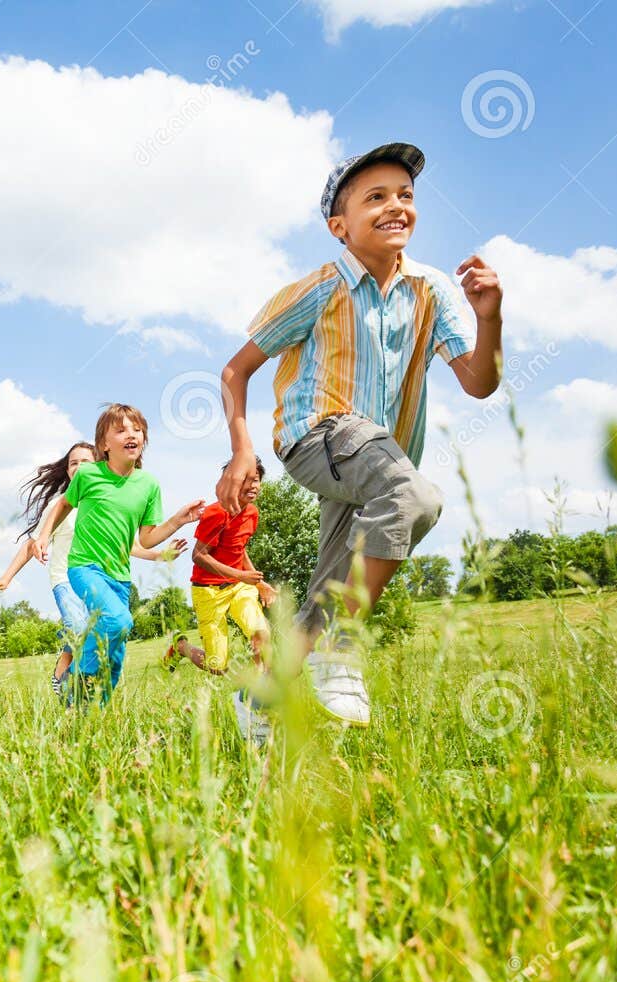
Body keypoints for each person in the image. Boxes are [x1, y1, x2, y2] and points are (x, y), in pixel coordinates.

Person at [215, 142, 503, 726]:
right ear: (339, 226)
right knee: (417, 497)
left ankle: (261, 703)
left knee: (328, 589)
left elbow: (478, 384)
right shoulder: (319, 289)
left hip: (378, 463)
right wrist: (241, 449)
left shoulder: (431, 293)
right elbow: (235, 369)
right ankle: (341, 650)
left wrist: (489, 316)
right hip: (318, 436)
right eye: (376, 197)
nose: (396, 206)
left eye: (406, 195)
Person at [0, 441, 186, 695]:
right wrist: (6, 578)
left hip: (100, 579)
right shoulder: (59, 505)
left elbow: (130, 546)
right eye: (73, 463)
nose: (79, 467)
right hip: (66, 580)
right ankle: (66, 678)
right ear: (67, 471)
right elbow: (31, 544)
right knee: (79, 628)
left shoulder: (104, 501)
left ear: (99, 464)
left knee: (102, 632)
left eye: (85, 462)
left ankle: (80, 680)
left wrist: (160, 555)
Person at [33, 404, 204, 704]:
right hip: (85, 567)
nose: (132, 434)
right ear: (104, 444)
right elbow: (62, 504)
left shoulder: (148, 485)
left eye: (137, 429)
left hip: (119, 578)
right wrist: (45, 536)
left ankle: (91, 713)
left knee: (115, 653)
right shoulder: (88, 475)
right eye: (122, 429)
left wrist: (177, 521)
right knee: (119, 621)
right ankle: (74, 682)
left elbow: (147, 539)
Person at [163, 456, 275, 738]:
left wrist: (259, 584)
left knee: (262, 633)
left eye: (256, 479)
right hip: (208, 591)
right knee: (217, 666)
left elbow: (239, 549)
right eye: (245, 479)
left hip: (239, 589)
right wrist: (240, 576)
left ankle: (257, 699)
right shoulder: (216, 514)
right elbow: (198, 556)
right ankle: (181, 647)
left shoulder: (252, 514)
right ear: (230, 484)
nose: (253, 485)